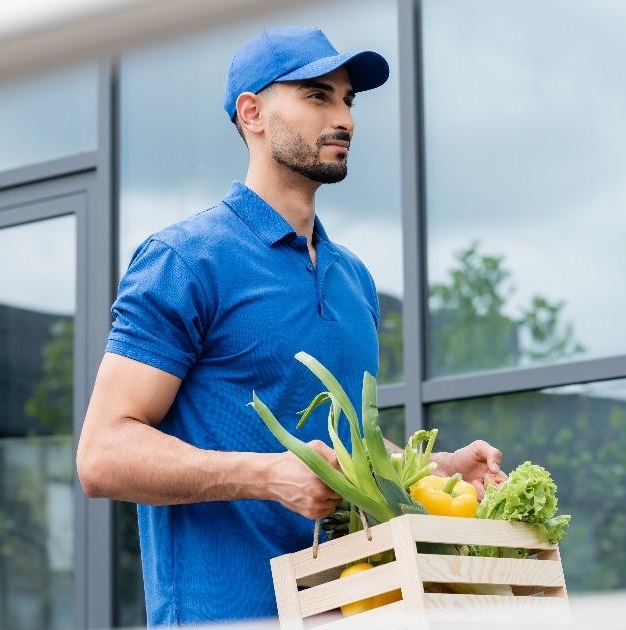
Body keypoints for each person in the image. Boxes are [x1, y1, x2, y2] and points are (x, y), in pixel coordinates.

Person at [75, 26, 508, 626]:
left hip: (348, 613)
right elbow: (102, 455)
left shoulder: (352, 279)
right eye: (316, 95)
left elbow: (347, 451)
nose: (344, 119)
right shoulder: (186, 259)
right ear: (252, 113)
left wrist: (438, 468)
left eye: (348, 100)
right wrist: (268, 476)